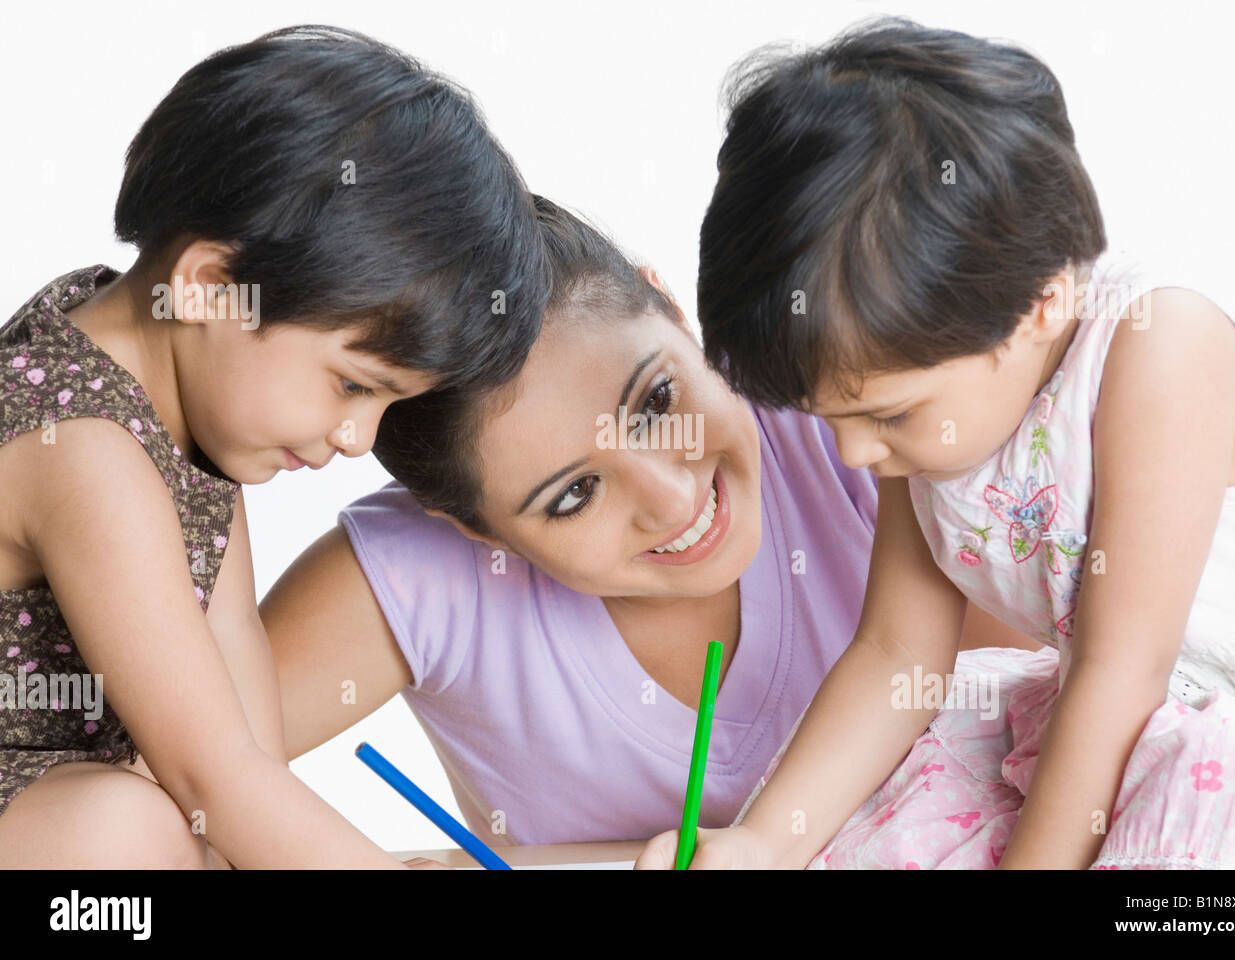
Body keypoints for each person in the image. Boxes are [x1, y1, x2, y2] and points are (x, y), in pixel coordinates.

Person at [637, 16, 1235, 870]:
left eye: (885, 416)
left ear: (1040, 307)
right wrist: (764, 841)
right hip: (1089, 723)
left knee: (1205, 795)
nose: (853, 456)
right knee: (909, 794)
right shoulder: (924, 425)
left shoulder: (1160, 344)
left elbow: (1121, 673)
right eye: (828, 418)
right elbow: (894, 654)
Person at [263, 195, 1036, 847]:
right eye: (572, 495)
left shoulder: (851, 422)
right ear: (478, 529)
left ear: (668, 306)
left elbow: (1047, 716)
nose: (671, 500)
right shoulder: (415, 577)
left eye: (657, 404)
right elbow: (169, 795)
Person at [0, 25, 546, 868]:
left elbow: (249, 745)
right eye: (355, 385)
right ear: (213, 289)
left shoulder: (184, 416)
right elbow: (213, 779)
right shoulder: (78, 440)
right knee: (125, 828)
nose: (358, 439)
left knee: (177, 821)